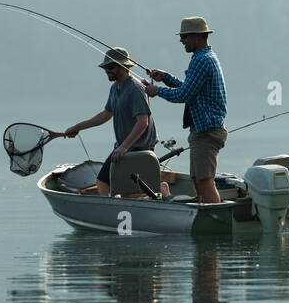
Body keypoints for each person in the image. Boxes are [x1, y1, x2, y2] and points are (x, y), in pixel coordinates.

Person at [146, 17, 227, 204]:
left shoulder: (201, 60)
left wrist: (157, 91)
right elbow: (190, 89)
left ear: (197, 37)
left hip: (207, 131)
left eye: (184, 36)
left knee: (205, 182)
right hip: (202, 130)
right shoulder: (205, 58)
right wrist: (166, 78)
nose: (181, 40)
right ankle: (207, 219)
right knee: (198, 181)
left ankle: (217, 219)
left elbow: (183, 95)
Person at [65, 48, 164, 197]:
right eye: (105, 67)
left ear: (124, 67)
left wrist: (123, 147)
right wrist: (78, 127)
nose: (107, 70)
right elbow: (106, 114)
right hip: (125, 149)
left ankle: (161, 191)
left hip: (138, 149)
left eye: (111, 67)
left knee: (116, 187)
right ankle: (160, 192)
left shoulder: (135, 89)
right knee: (113, 186)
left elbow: (143, 122)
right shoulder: (115, 88)